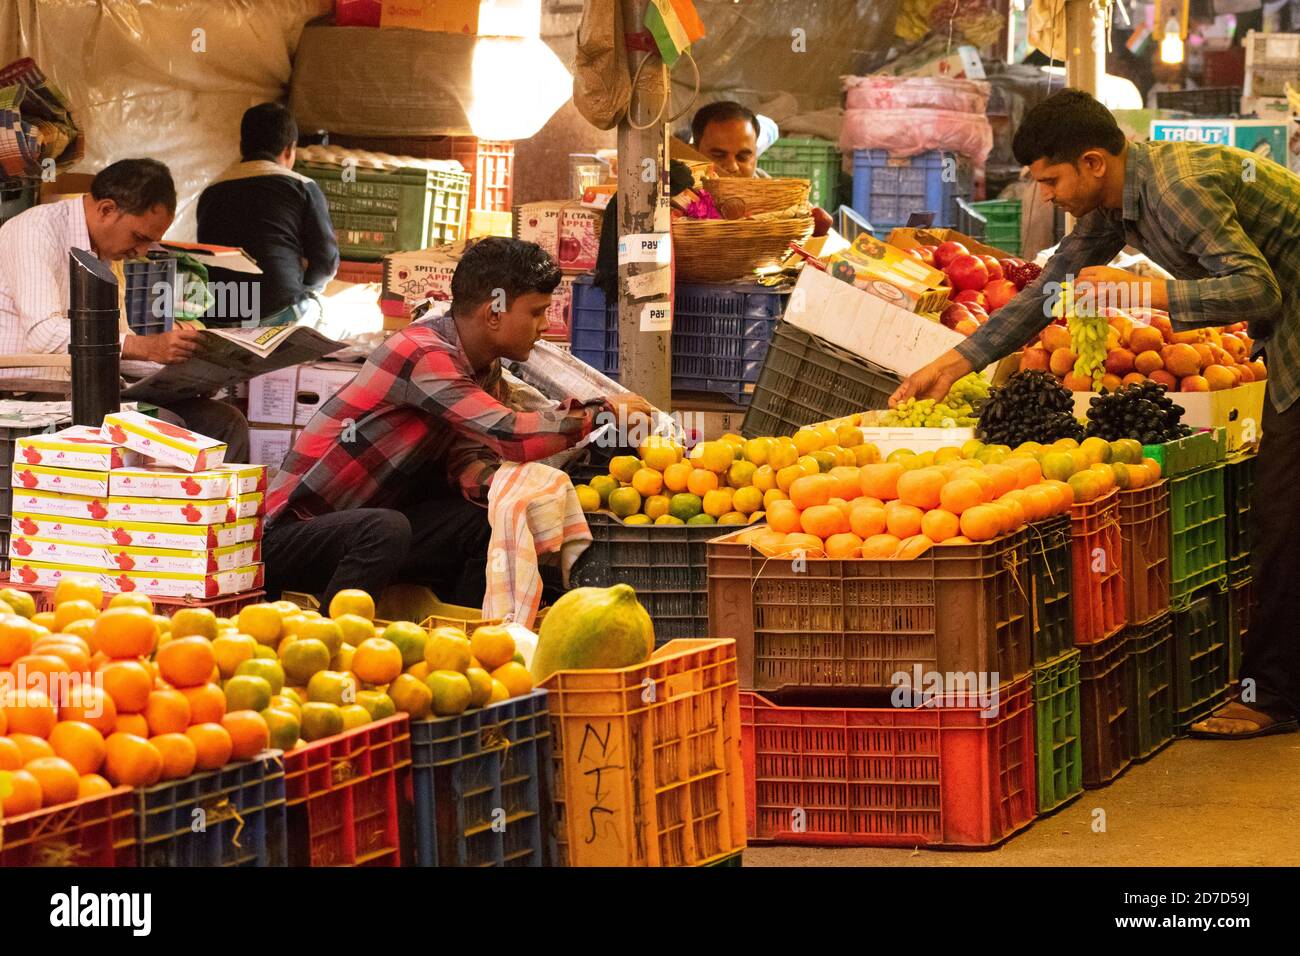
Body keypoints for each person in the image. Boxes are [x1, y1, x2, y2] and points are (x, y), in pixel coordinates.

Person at [892, 88, 1299, 739]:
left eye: (1051, 180)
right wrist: (959, 360)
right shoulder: (1119, 204)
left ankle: (1274, 693)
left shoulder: (1175, 189)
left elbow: (1256, 287)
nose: (1047, 195)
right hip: (1287, 332)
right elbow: (1050, 292)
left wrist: (1152, 291)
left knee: (1282, 507)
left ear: (1092, 163)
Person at [262, 237, 653, 609]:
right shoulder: (422, 354)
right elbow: (510, 434)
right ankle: (337, 643)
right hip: (295, 533)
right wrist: (602, 411)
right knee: (384, 529)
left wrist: (517, 494)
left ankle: (468, 643)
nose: (545, 325)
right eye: (536, 312)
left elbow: (466, 461)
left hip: (370, 525)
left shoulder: (484, 371)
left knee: (484, 522)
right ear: (494, 313)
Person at [0, 158, 249, 460]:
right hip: (30, 395)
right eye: (139, 237)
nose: (141, 252)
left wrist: (188, 372)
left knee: (225, 423)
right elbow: (45, 335)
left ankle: (215, 507)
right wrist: (144, 346)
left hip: (90, 389)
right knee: (169, 425)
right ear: (107, 209)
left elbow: (120, 347)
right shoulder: (35, 232)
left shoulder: (106, 256)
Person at [196, 102, 338, 327]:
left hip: (219, 315)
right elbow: (326, 264)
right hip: (278, 313)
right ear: (290, 149)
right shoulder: (302, 187)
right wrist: (303, 288)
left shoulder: (211, 192)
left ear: (242, 146)